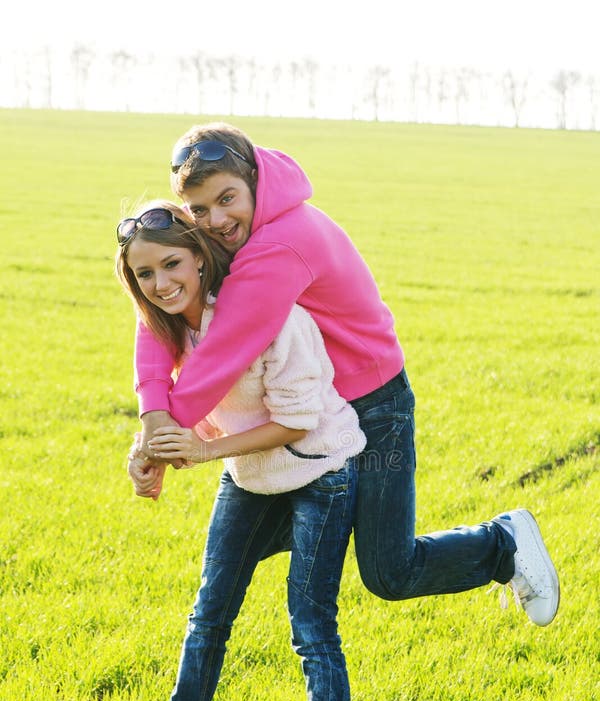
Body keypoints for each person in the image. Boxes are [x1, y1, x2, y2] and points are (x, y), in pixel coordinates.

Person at [129, 122, 560, 629]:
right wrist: (154, 415)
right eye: (200, 210)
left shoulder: (280, 245)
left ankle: (502, 543)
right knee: (257, 539)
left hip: (375, 403)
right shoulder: (231, 232)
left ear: (254, 179)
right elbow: (157, 317)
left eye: (227, 199)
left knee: (389, 571)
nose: (217, 220)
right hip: (316, 402)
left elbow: (223, 352)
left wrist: (157, 444)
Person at [116, 200, 367, 701]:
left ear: (201, 258)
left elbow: (296, 420)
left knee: (311, 627)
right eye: (145, 274)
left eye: (172, 264)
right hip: (250, 476)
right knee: (209, 614)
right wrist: (147, 451)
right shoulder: (176, 327)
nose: (161, 283)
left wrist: (203, 450)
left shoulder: (271, 320)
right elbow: (177, 401)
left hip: (320, 469)